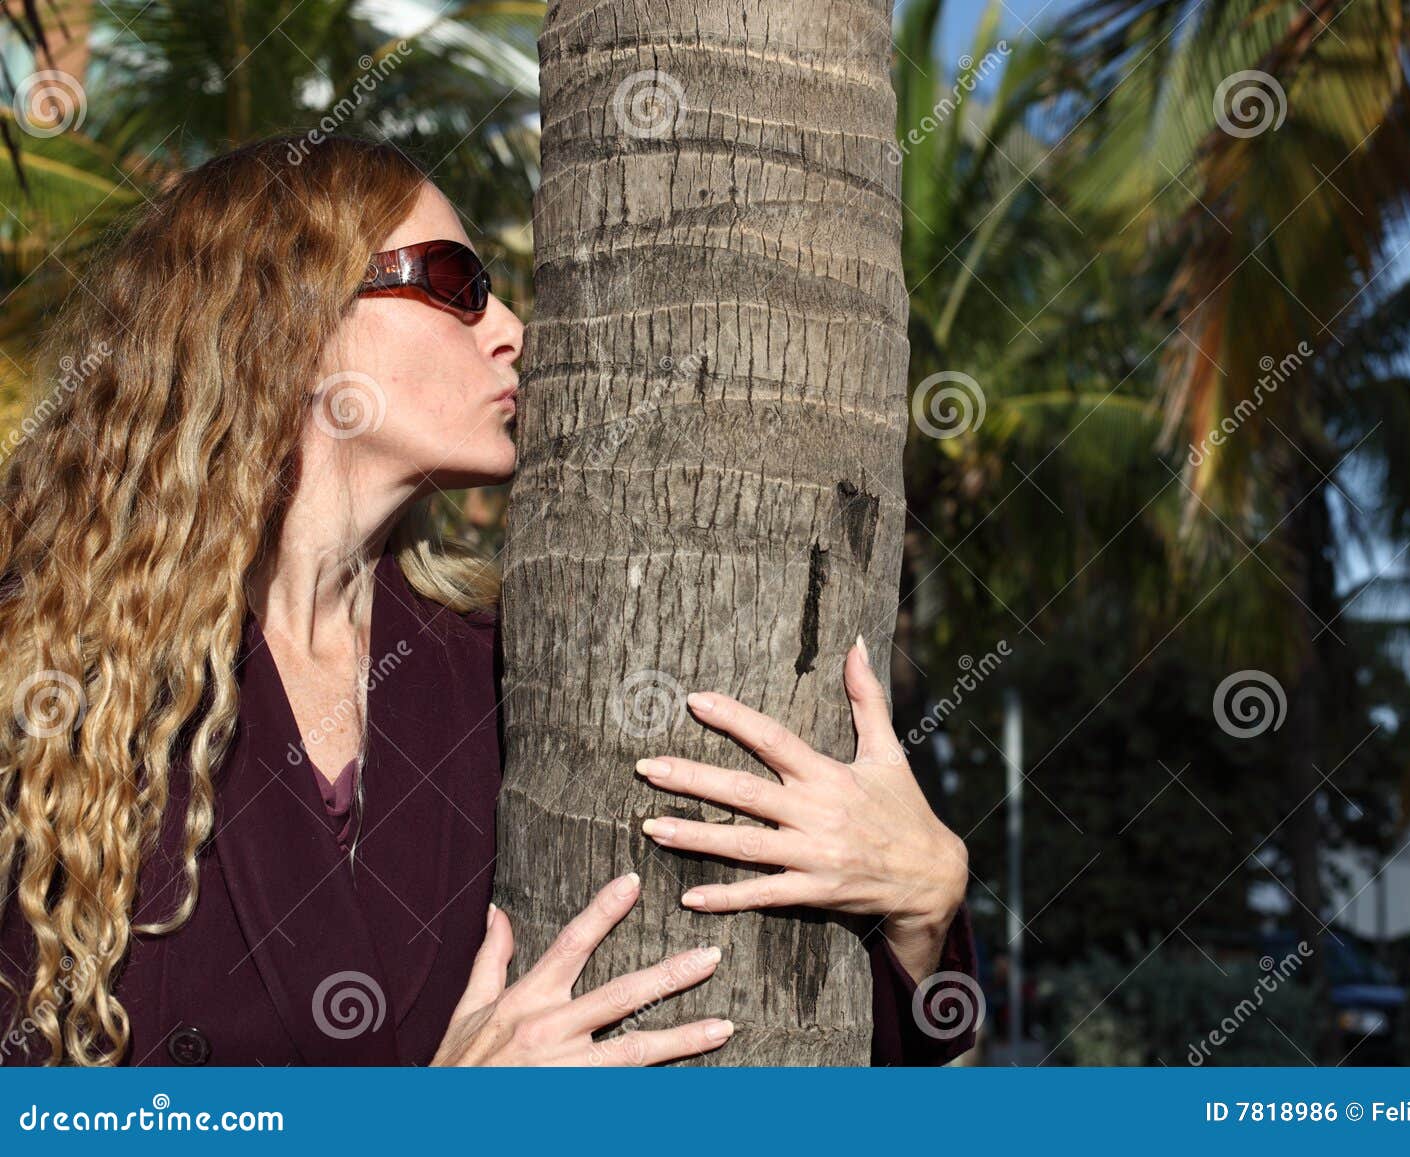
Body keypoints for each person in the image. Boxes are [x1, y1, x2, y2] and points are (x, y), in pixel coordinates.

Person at [0, 132, 976, 1067]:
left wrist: (923, 903)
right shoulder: (39, 686)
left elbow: (750, 1039)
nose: (511, 333)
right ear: (286, 316)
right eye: (456, 285)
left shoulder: (514, 667)